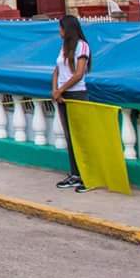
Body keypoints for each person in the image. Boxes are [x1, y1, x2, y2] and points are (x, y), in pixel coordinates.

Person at [52, 14, 93, 193]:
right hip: (62, 95)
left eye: (61, 28)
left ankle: (88, 175)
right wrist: (55, 90)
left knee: (82, 136)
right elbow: (56, 70)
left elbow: (78, 74)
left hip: (77, 94)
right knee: (70, 136)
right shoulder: (63, 48)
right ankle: (75, 173)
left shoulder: (82, 46)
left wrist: (61, 90)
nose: (59, 31)